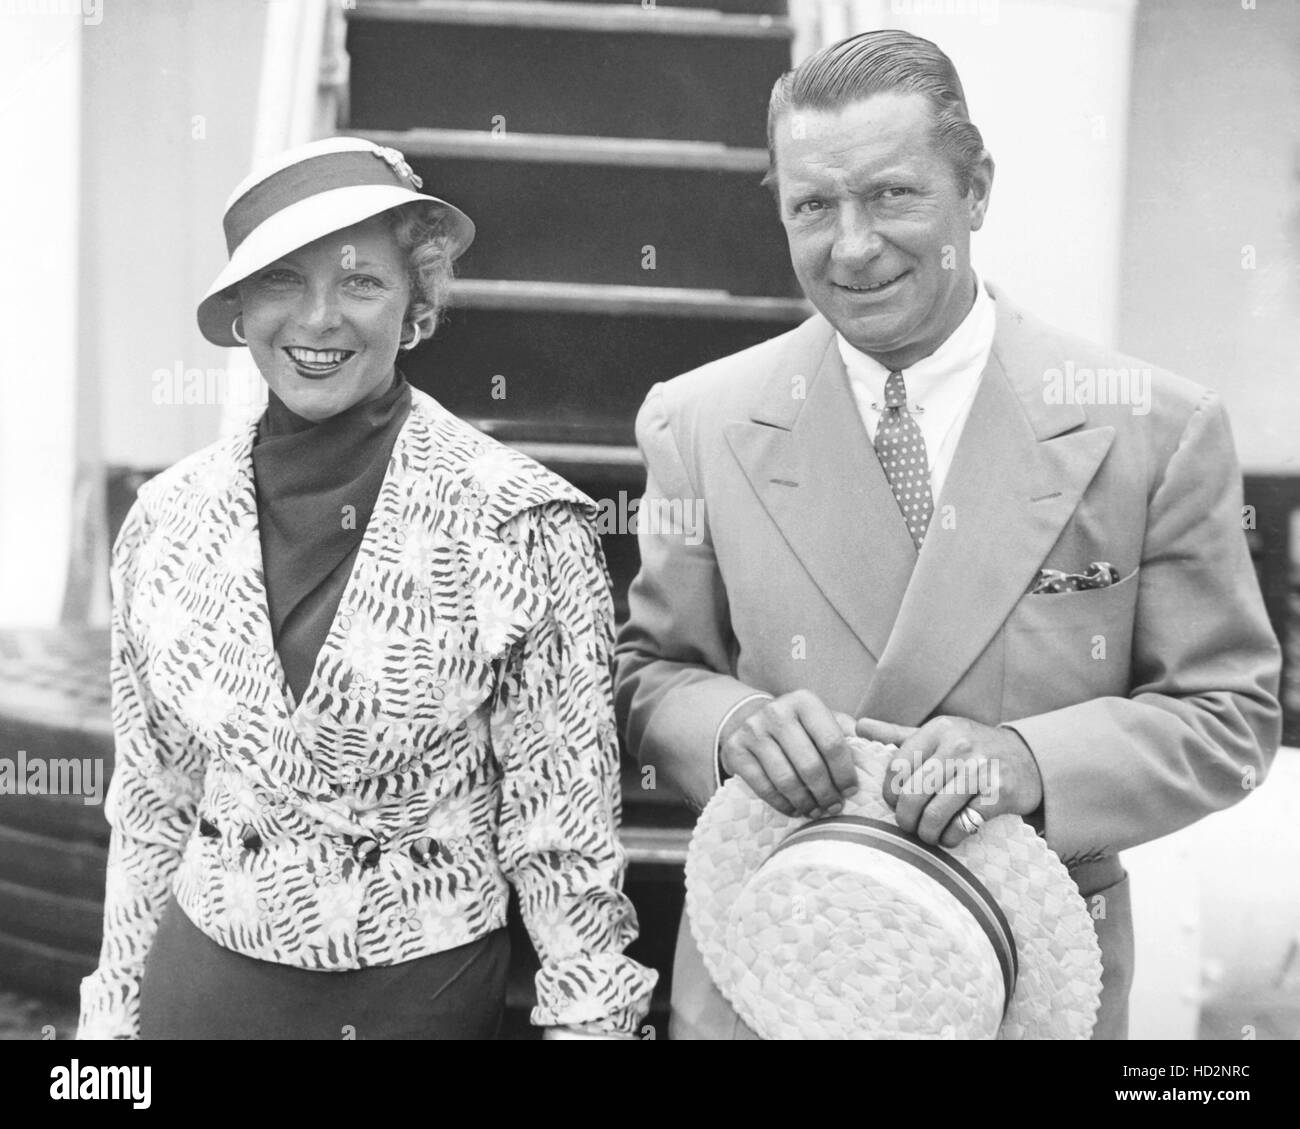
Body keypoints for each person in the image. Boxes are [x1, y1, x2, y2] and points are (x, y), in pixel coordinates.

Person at [614, 30, 1281, 1040]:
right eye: (811, 206)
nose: (850, 246)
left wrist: (1028, 760)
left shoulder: (1153, 426)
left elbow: (1230, 721)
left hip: (1020, 977)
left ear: (975, 192)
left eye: (891, 195)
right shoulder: (697, 422)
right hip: (772, 971)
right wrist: (730, 728)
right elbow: (647, 674)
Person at [78, 137, 656, 1040]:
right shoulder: (164, 519)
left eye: (360, 283)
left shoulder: (520, 522)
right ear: (238, 308)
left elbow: (563, 836)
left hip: (414, 993)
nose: (318, 319)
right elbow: (152, 804)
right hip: (201, 987)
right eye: (280, 281)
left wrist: (591, 1023)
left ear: (416, 307)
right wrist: (110, 1027)